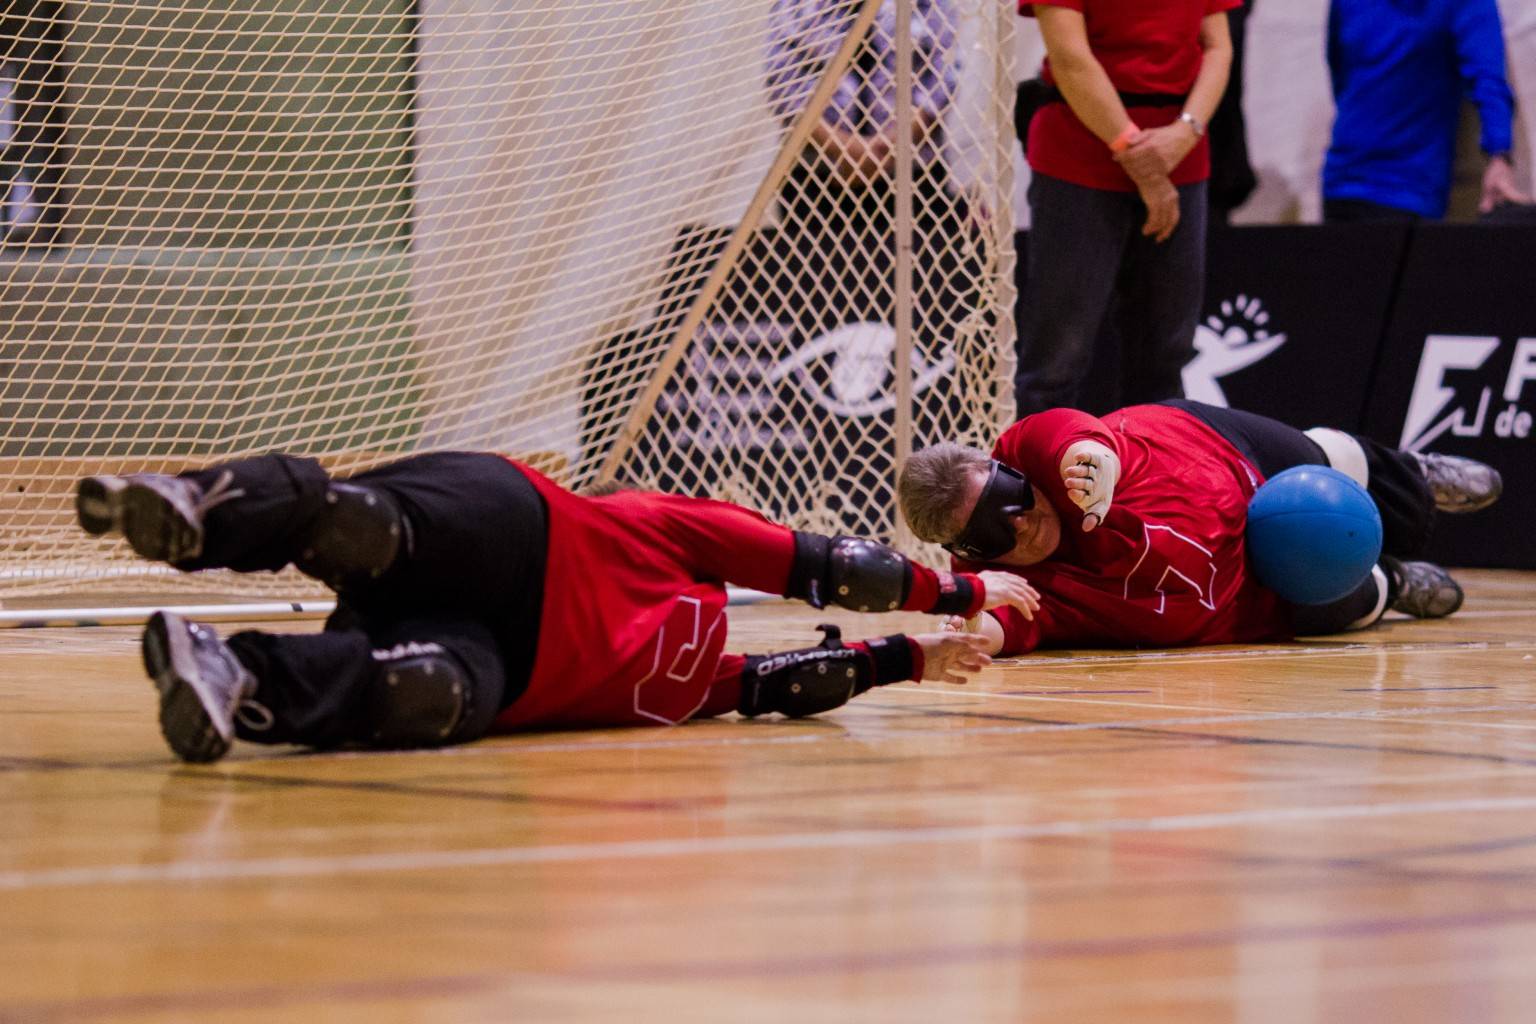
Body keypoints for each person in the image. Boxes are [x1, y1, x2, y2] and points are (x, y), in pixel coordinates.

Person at [74, 453, 1035, 763]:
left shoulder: (699, 682)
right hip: (526, 531)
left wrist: (914, 660)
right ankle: (200, 512)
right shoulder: (671, 526)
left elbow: (793, 681)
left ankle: (230, 674)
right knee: (365, 529)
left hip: (505, 665)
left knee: (428, 698)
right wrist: (956, 590)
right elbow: (828, 566)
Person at [896, 400, 1502, 656]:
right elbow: (1007, 627)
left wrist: (1093, 459)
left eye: (1011, 497)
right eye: (996, 534)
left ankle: (1414, 479)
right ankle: (1395, 584)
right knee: (1354, 592)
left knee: (1330, 460)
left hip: (1224, 455)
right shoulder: (996, 583)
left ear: (1006, 469)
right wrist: (975, 632)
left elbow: (1072, 433)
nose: (1023, 525)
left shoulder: (1035, 448)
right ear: (967, 551)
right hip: (1254, 591)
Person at [1012, 0, 1237, 418]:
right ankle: (1032, 479)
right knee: (1058, 359)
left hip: (1180, 155)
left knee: (1165, 353)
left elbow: (1219, 47)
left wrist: (1185, 132)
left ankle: (1150, 478)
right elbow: (1071, 59)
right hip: (1080, 157)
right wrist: (1144, 163)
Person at [764, 0, 968, 350]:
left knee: (916, 293)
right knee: (816, 293)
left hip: (913, 169)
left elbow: (945, 73)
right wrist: (844, 149)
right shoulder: (799, 5)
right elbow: (783, 80)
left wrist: (889, 145)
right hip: (818, 173)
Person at [1324, 0, 1531, 222]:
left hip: (1408, 188)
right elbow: (1341, 74)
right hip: (1340, 182)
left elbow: (1488, 80)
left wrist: (1499, 156)